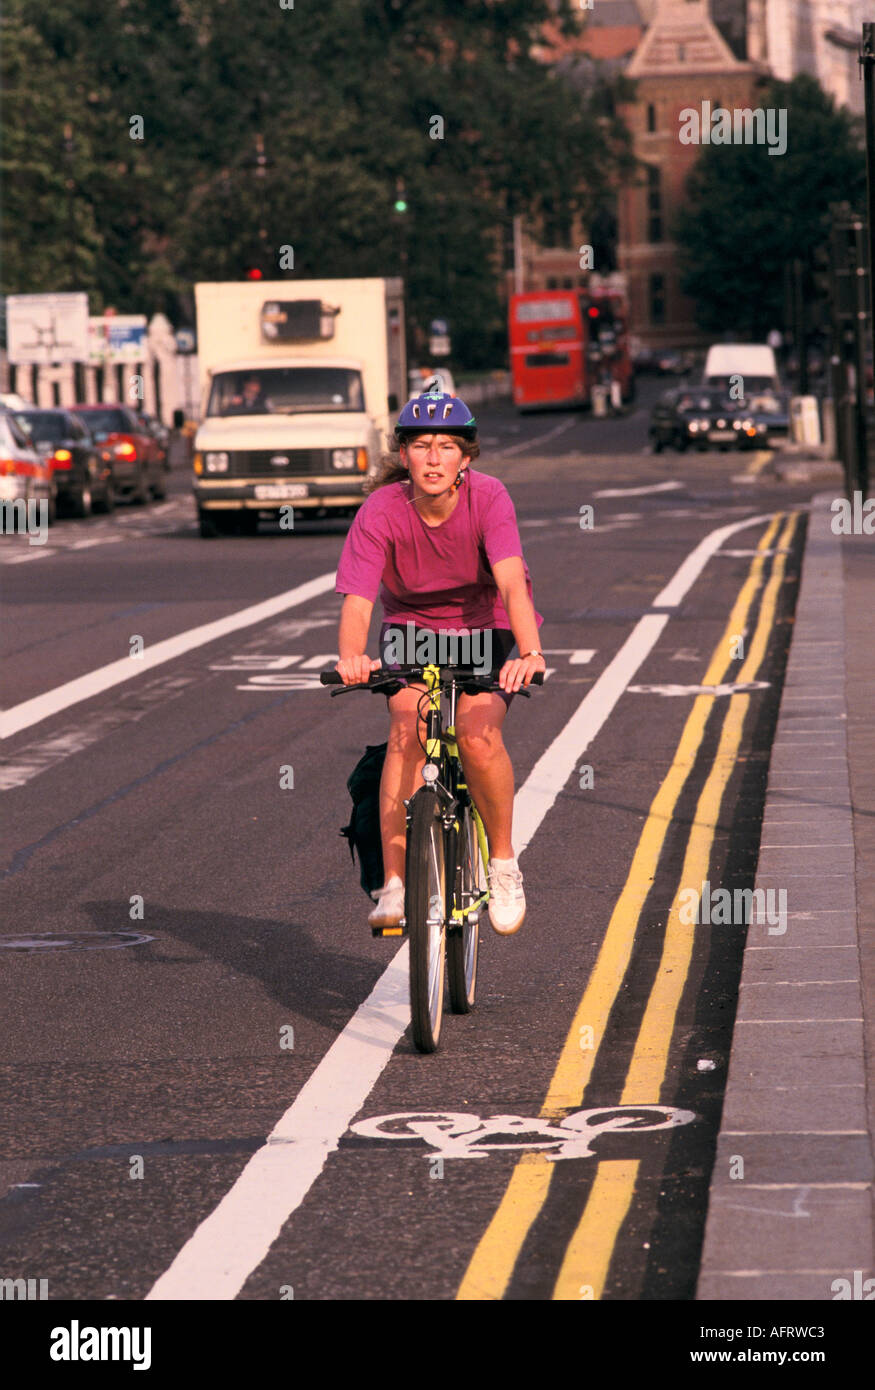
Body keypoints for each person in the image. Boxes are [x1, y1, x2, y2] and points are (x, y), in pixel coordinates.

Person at [334, 390, 545, 936]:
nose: (433, 458)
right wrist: (352, 658)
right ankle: (396, 887)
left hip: (486, 624)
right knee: (409, 727)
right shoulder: (380, 511)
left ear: (465, 458)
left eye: (446, 447)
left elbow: (511, 582)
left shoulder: (490, 498)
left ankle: (502, 863)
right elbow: (358, 599)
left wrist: (530, 653)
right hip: (412, 628)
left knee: (476, 736)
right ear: (403, 455)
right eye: (421, 445)